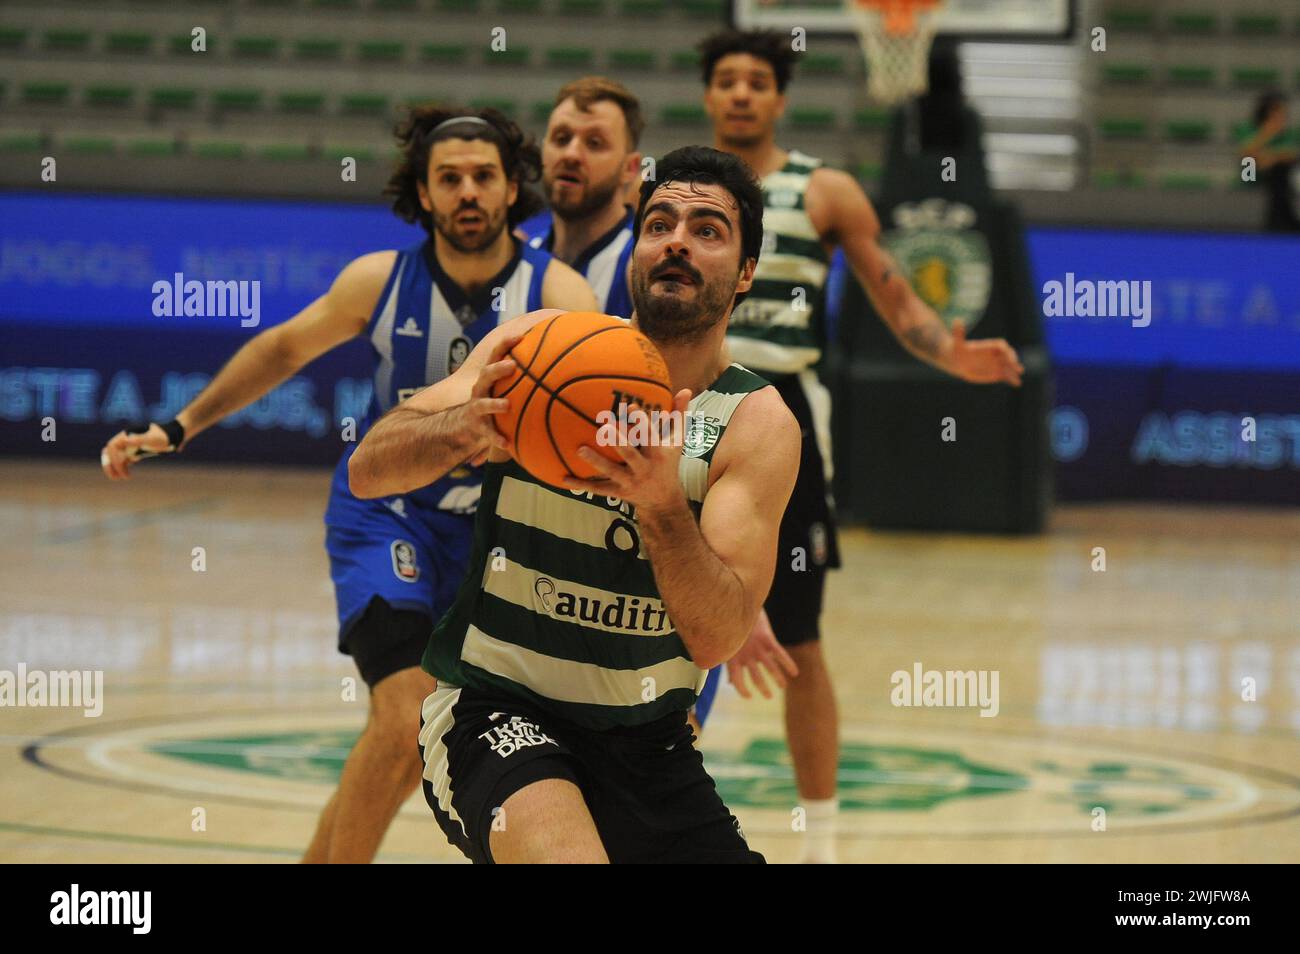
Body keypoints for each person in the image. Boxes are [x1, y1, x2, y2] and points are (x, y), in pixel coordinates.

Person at [98, 106, 598, 863]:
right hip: (385, 516)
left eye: (484, 177)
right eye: (449, 179)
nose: (468, 192)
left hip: (492, 536)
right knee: (404, 722)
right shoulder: (378, 280)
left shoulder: (560, 293)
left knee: (405, 748)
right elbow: (280, 349)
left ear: (510, 187)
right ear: (423, 194)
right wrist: (180, 426)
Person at [349, 145, 801, 863]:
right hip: (493, 710)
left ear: (746, 272)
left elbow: (716, 636)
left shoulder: (756, 423)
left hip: (649, 741)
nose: (677, 239)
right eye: (659, 224)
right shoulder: (534, 349)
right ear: (635, 252)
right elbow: (368, 469)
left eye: (708, 229)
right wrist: (461, 426)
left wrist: (659, 505)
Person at [698, 28, 1025, 863]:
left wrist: (950, 352)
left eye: (757, 82)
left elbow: (896, 297)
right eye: (727, 80)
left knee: (799, 643)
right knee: (664, 623)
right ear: (708, 95)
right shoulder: (675, 186)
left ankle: (823, 841)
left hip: (787, 424)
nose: (741, 94)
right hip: (687, 412)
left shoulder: (826, 191)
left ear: (779, 98)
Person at [516, 77, 643, 318]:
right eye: (561, 139)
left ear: (630, 167)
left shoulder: (642, 265)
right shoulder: (520, 257)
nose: (572, 154)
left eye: (594, 143)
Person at [1240, 91, 1299, 232]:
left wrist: (1272, 158)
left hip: (1278, 173)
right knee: (1251, 161)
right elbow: (1247, 153)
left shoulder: (1289, 133)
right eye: (1277, 112)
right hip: (1251, 173)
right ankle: (1283, 219)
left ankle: (1279, 220)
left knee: (1279, 170)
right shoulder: (1248, 129)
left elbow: (1291, 154)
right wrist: (1268, 132)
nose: (1282, 117)